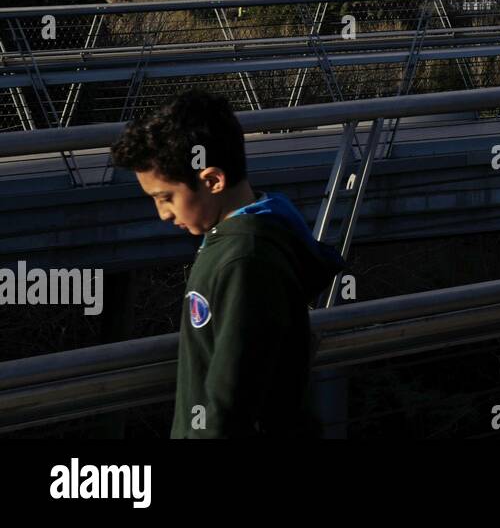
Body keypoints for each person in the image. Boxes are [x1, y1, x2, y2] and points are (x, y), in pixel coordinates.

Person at [109, 90, 344, 438]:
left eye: (166, 197)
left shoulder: (245, 261)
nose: (162, 214)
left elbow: (229, 400)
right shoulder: (237, 242)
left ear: (213, 180)